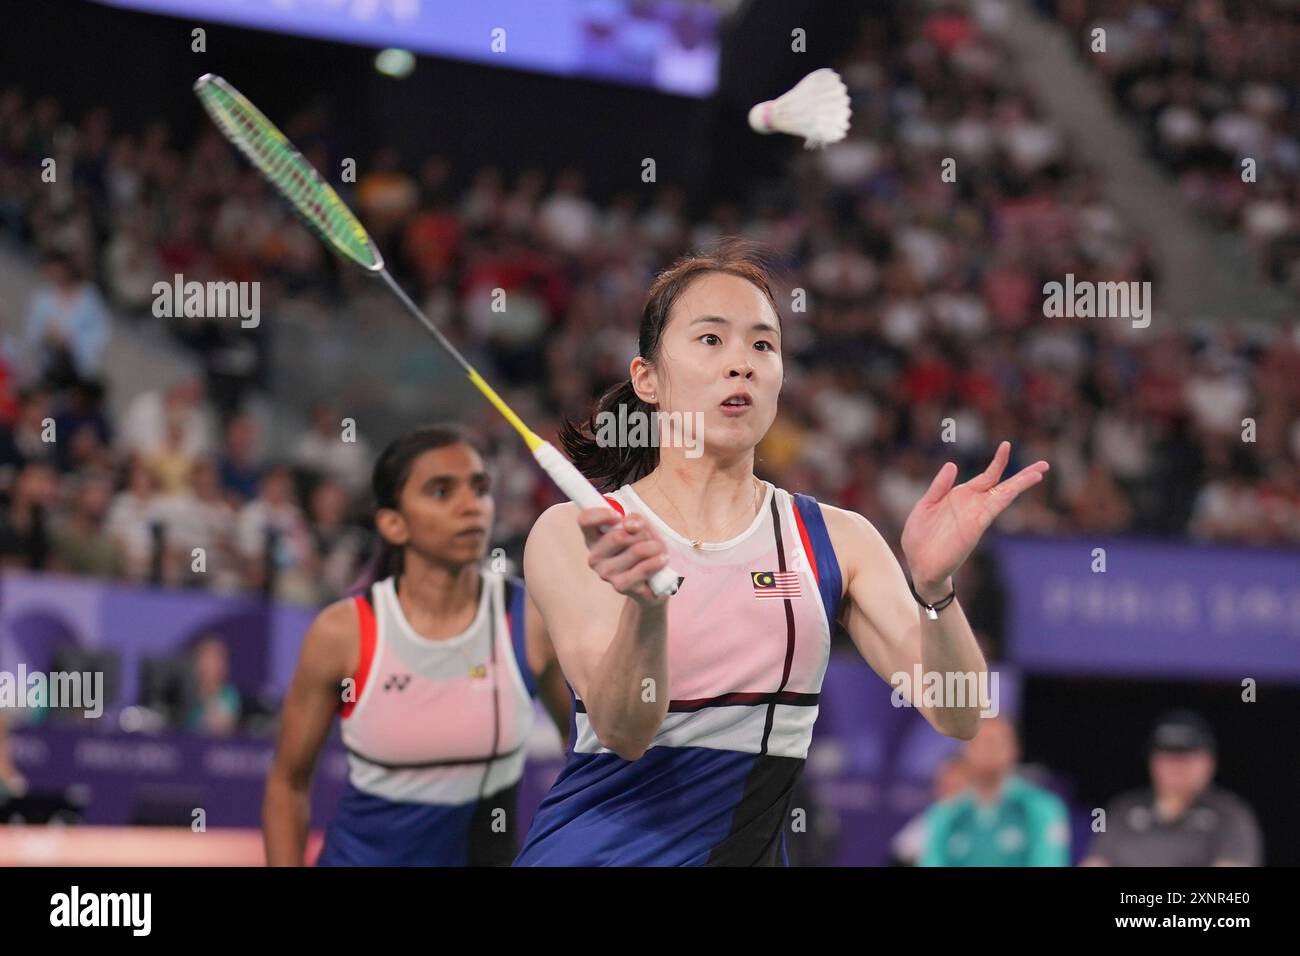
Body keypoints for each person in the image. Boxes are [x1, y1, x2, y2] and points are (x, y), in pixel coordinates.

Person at [514, 243, 1050, 866]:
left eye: (762, 345)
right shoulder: (573, 534)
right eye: (711, 340)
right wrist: (646, 605)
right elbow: (622, 730)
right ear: (648, 380)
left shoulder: (835, 540)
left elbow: (959, 714)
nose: (740, 362)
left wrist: (936, 589)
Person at [263, 425, 570, 866]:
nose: (472, 506)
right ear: (393, 522)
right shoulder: (343, 633)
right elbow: (287, 783)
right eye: (442, 491)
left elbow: (585, 755)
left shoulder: (531, 617)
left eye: (480, 488)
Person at [1082, 710, 1263, 867]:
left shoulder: (1230, 815)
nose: (1176, 766)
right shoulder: (1124, 809)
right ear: (1152, 761)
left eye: (1186, 757)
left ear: (1209, 762)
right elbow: (1096, 862)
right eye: (1168, 756)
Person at [920, 717, 1070, 866]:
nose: (989, 750)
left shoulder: (1042, 807)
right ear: (964, 750)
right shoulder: (945, 813)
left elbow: (1049, 861)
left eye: (996, 742)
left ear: (1015, 749)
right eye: (981, 743)